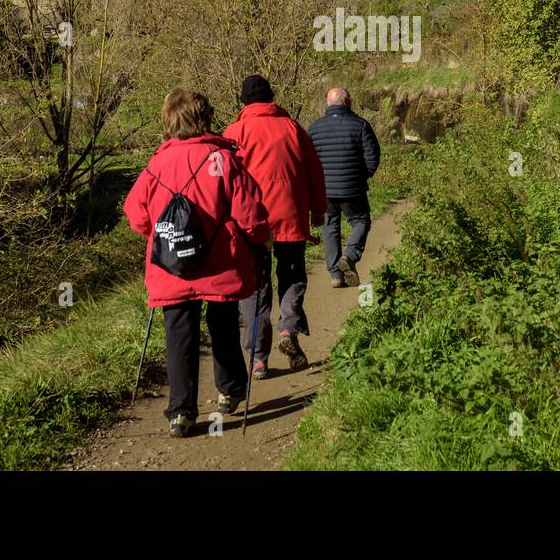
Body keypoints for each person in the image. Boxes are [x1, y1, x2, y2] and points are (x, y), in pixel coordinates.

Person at [123, 88, 270, 438]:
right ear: (205, 118)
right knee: (223, 325)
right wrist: (260, 239)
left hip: (172, 266)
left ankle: (181, 412)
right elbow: (250, 215)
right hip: (220, 265)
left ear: (169, 121)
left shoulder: (156, 163)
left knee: (178, 334)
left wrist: (162, 234)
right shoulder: (224, 160)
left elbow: (136, 215)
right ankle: (230, 389)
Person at [223, 74, 326, 377]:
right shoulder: (293, 128)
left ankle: (257, 359)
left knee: (255, 288)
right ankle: (288, 329)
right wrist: (318, 212)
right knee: (292, 274)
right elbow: (314, 172)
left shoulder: (234, 132)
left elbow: (225, 181)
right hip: (290, 215)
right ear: (271, 98)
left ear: (243, 102)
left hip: (251, 222)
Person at [308, 87, 380, 288]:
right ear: (347, 102)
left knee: (329, 228)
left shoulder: (314, 129)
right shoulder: (360, 125)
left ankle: (335, 276)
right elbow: (372, 157)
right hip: (352, 189)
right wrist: (361, 176)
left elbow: (308, 161)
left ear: (328, 103)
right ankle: (350, 255)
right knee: (361, 221)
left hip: (325, 192)